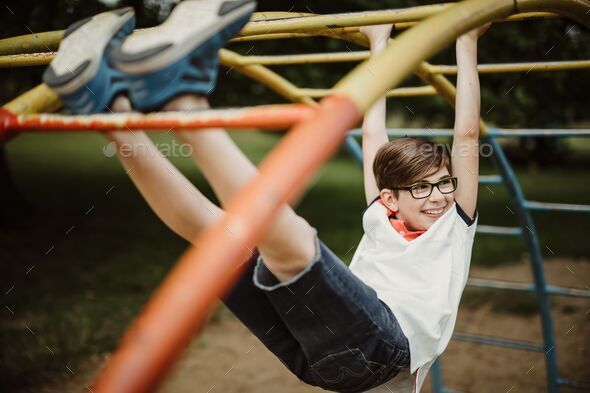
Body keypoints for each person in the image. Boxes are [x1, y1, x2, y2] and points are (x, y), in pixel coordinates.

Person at [43, 1, 486, 392]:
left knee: (295, 247)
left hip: (384, 349)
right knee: (220, 238)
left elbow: (466, 134)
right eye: (422, 187)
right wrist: (378, 44)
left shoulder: (455, 225)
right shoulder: (379, 210)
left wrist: (466, 39)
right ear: (389, 198)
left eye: (445, 182)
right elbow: (373, 129)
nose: (439, 197)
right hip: (325, 358)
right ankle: (110, 112)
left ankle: (181, 98)